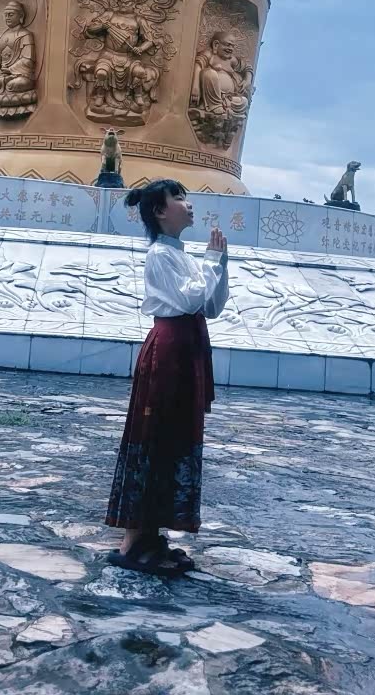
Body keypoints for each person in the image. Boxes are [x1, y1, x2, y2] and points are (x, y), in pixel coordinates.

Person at [105, 179, 229, 577]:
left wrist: (218, 263)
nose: (187, 203)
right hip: (170, 350)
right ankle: (134, 536)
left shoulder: (182, 256)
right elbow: (190, 299)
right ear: (160, 211)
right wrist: (210, 261)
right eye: (178, 198)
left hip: (187, 347)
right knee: (154, 434)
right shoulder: (160, 254)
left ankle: (151, 533)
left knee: (173, 436)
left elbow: (210, 305)